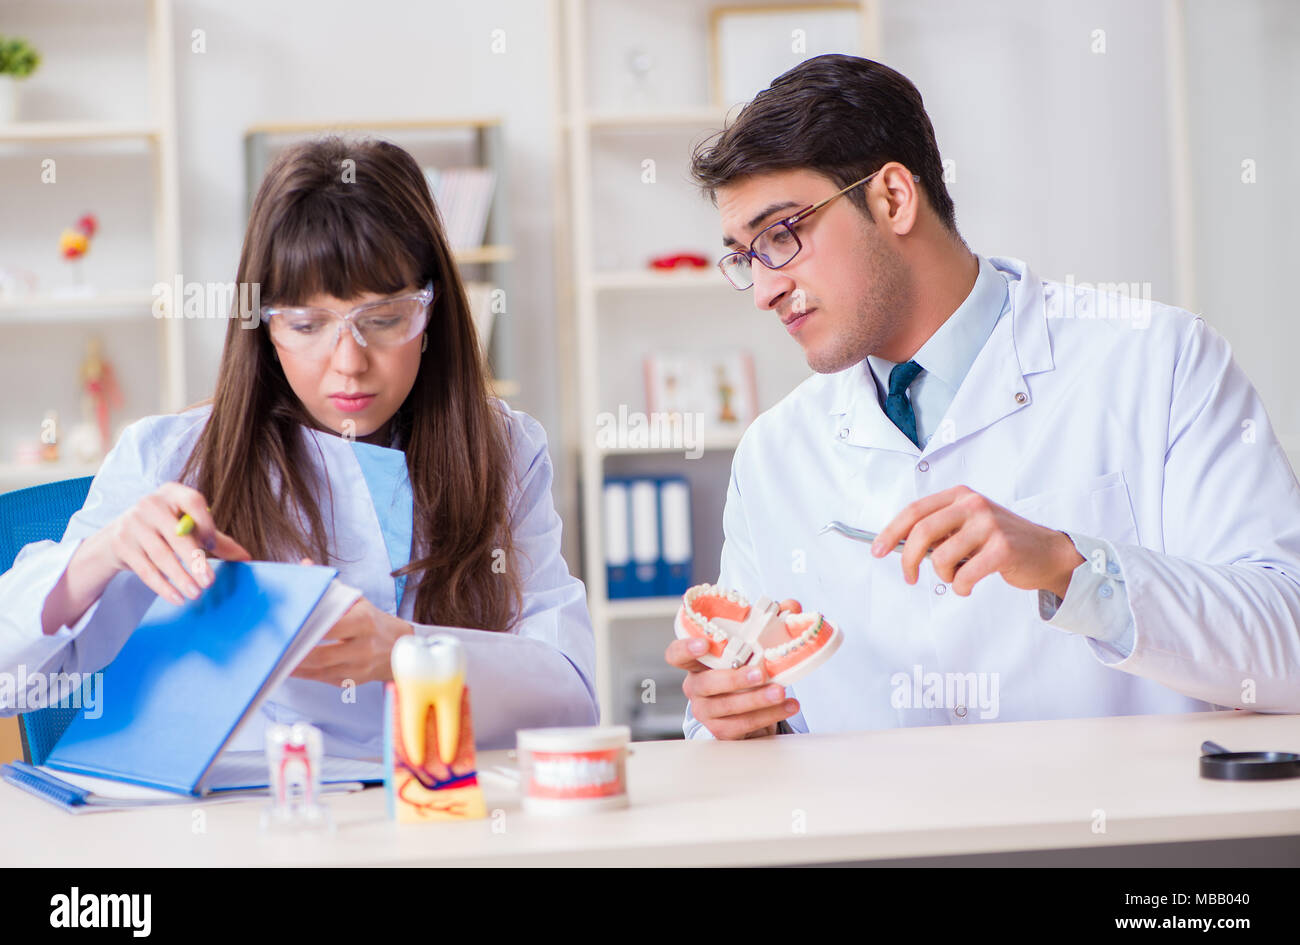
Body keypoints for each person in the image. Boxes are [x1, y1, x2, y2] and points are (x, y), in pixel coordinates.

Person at [666, 54, 1300, 740]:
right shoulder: (773, 453)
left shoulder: (1160, 359)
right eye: (743, 256)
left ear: (893, 199)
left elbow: (1288, 642)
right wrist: (736, 720)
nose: (762, 290)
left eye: (782, 236)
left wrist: (1069, 565)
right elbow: (746, 725)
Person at [0, 137, 597, 757]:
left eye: (385, 318)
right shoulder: (171, 457)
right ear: (264, 328)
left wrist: (405, 651)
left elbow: (571, 695)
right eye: (308, 326)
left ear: (434, 314)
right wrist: (97, 559)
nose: (349, 364)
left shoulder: (504, 449)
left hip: (439, 825)